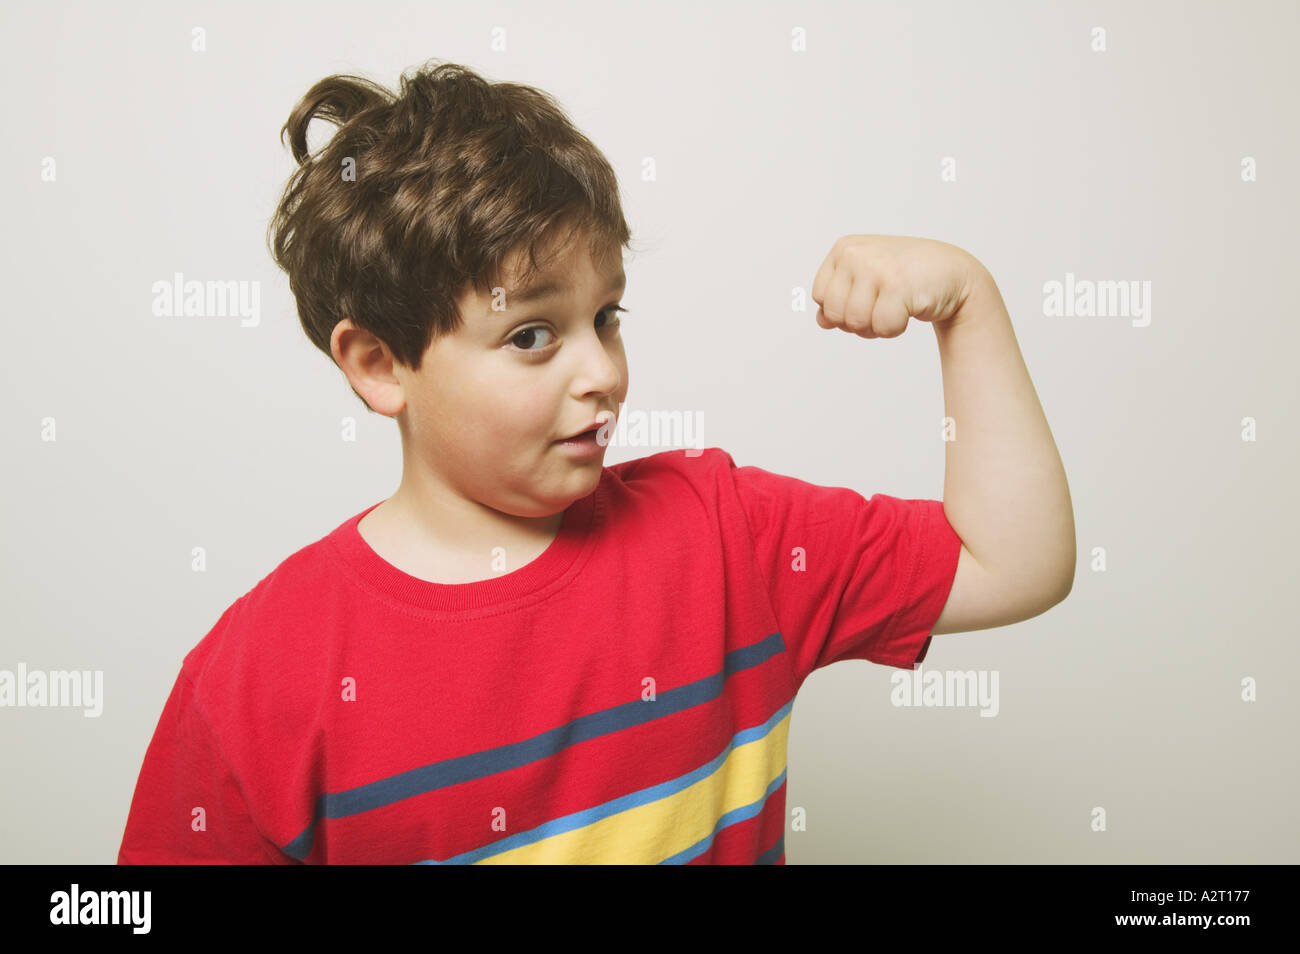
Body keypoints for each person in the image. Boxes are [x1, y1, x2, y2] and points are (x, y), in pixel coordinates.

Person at [116, 60, 1075, 864]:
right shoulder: (258, 679)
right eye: (533, 334)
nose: (603, 373)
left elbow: (1013, 561)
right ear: (379, 364)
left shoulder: (728, 539)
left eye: (607, 318)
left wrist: (968, 304)